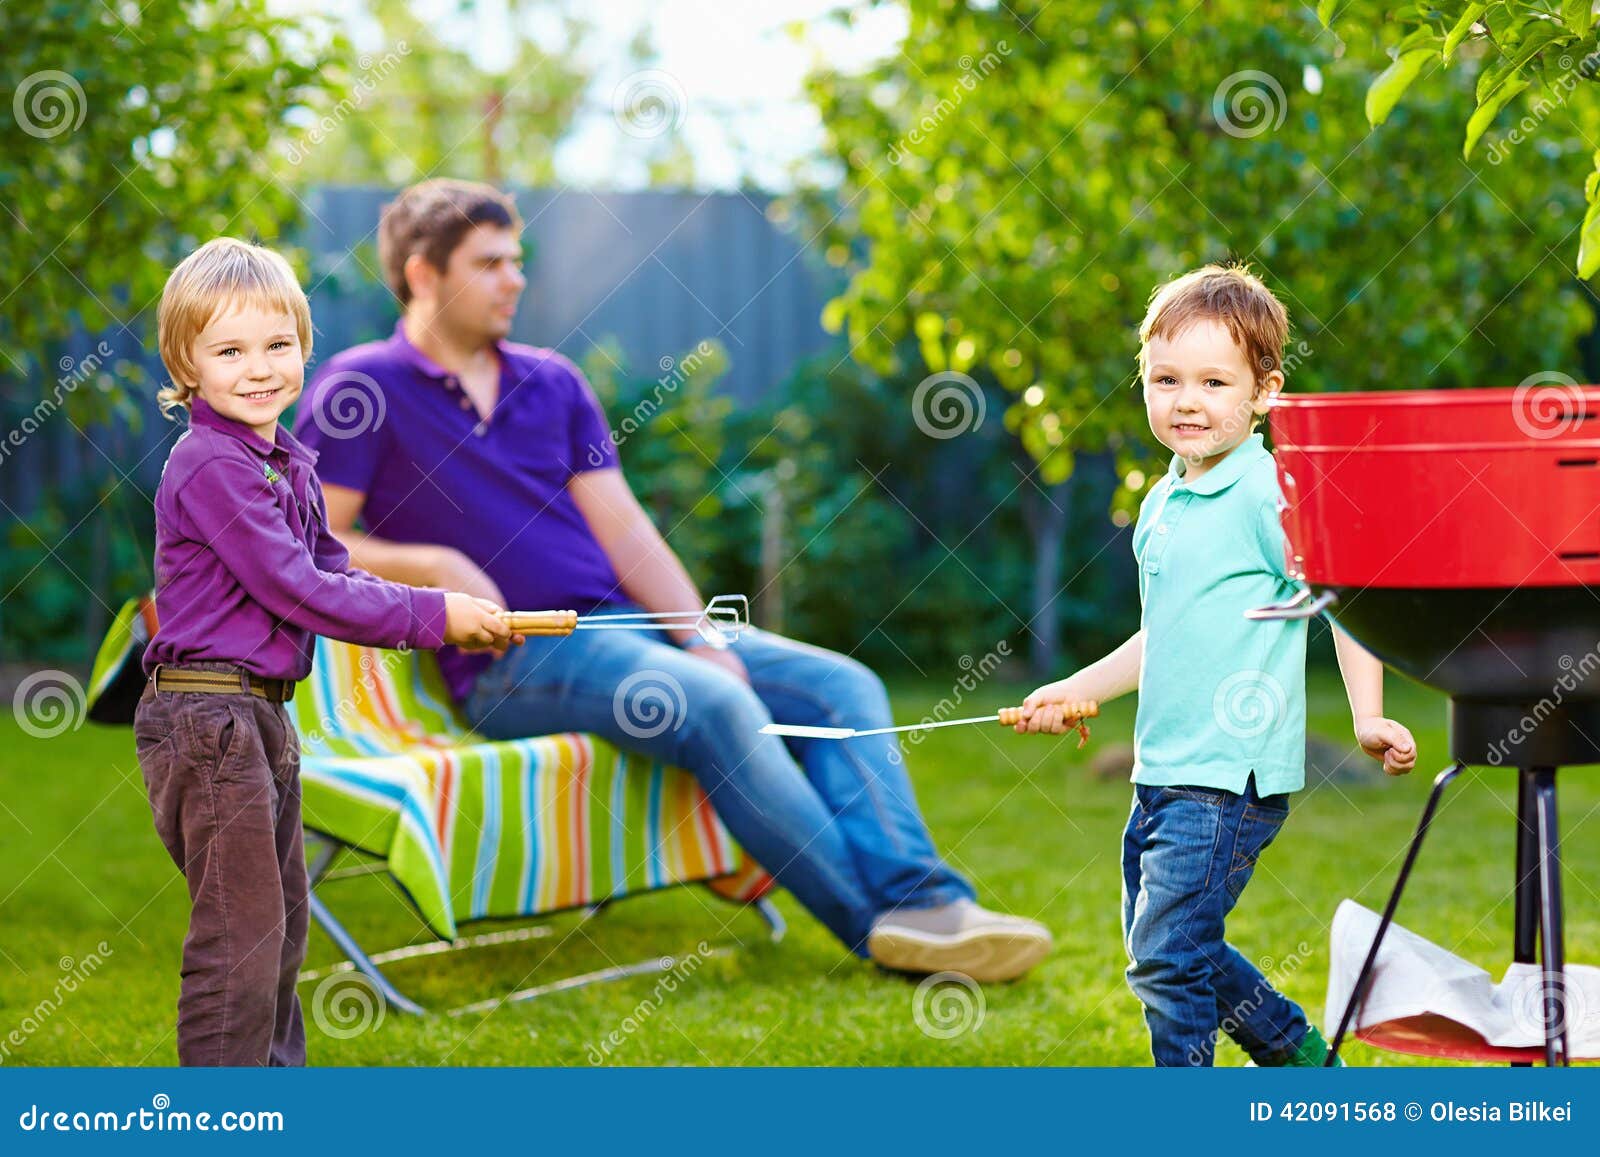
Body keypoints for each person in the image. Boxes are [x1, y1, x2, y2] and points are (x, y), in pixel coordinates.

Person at [293, 178, 1051, 982]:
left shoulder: (552, 382)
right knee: (715, 702)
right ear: (422, 274)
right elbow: (315, 539)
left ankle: (927, 901)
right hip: (514, 657)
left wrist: (700, 634)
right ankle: (881, 927)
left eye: (516, 259)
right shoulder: (362, 387)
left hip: (623, 627)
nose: (515, 278)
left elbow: (628, 533)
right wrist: (436, 568)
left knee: (843, 685)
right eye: (489, 263)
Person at [1016, 263, 1418, 1066]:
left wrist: (1369, 715)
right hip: (1162, 769)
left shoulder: (1270, 494)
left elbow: (1343, 598)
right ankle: (1299, 1054)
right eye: (1166, 379)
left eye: (1213, 381)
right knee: (1177, 945)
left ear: (1264, 392)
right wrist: (1074, 688)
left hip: (1230, 776)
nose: (1187, 401)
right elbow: (1160, 635)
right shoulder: (1162, 500)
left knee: (1165, 955)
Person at [134, 238, 518, 1065]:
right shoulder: (210, 464)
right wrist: (435, 614)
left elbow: (336, 571)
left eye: (278, 344)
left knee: (279, 933)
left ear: (304, 348)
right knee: (239, 941)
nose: (259, 368)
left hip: (260, 716)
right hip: (207, 717)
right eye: (229, 351)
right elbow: (299, 588)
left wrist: (458, 610)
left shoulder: (285, 464)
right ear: (186, 365)